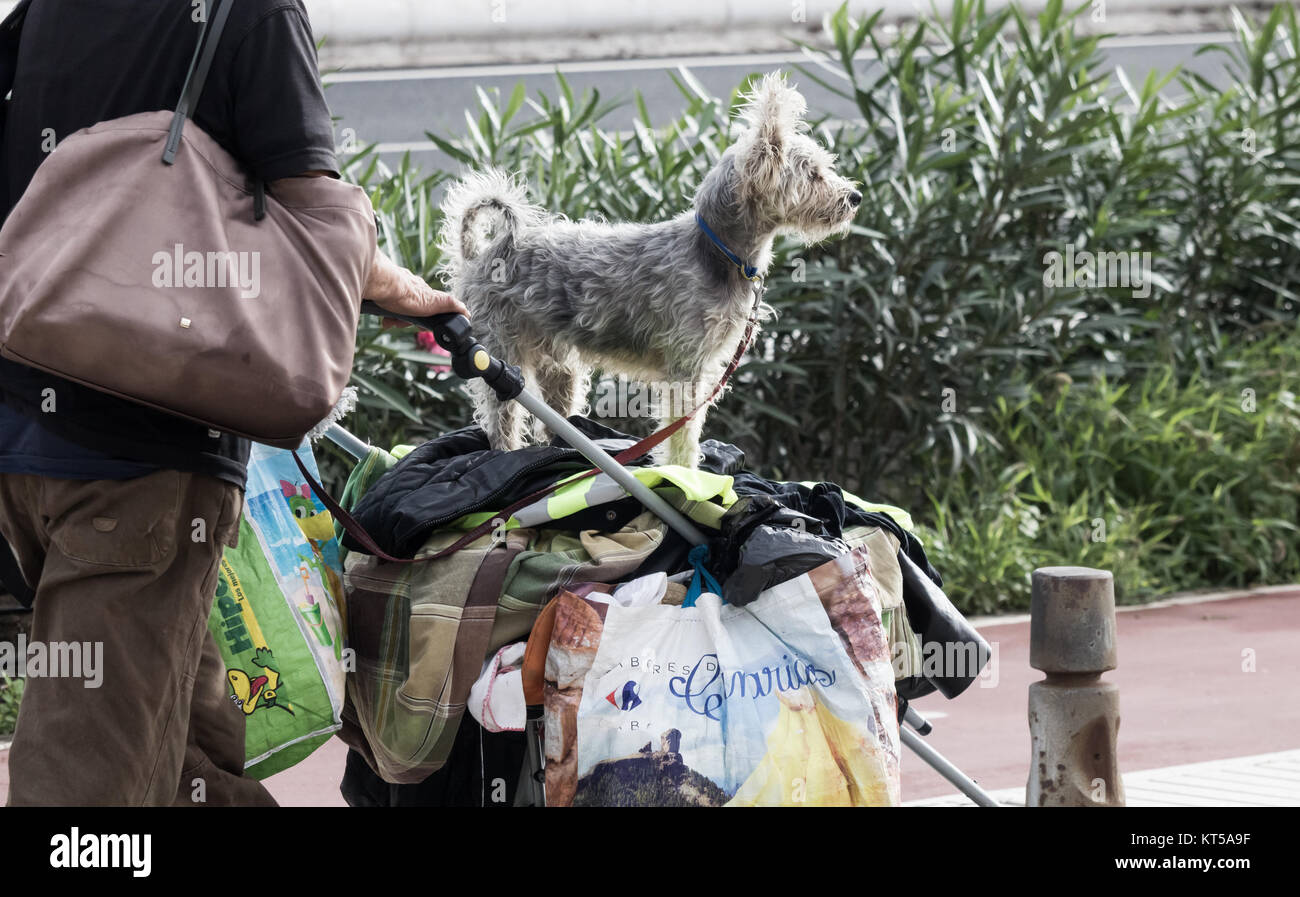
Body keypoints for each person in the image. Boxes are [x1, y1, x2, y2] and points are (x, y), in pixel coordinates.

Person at [0, 0, 466, 806]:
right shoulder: (252, 12)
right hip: (141, 467)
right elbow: (316, 223)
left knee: (185, 755)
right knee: (85, 787)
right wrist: (405, 290)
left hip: (21, 438)